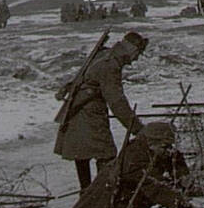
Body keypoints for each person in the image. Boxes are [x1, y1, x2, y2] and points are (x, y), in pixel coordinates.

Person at [38, 122, 191, 208]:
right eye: (166, 147)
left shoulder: (158, 149)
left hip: (126, 195)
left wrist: (183, 175)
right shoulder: (134, 156)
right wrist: (177, 202)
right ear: (152, 143)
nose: (169, 151)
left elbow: (175, 159)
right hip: (108, 192)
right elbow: (151, 185)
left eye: (170, 146)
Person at [54, 31, 149, 190]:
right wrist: (137, 129)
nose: (136, 59)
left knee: (83, 156)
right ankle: (100, 194)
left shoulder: (105, 54)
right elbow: (117, 102)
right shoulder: (110, 65)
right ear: (131, 49)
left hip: (81, 112)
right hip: (89, 115)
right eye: (138, 54)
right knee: (106, 155)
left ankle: (87, 193)